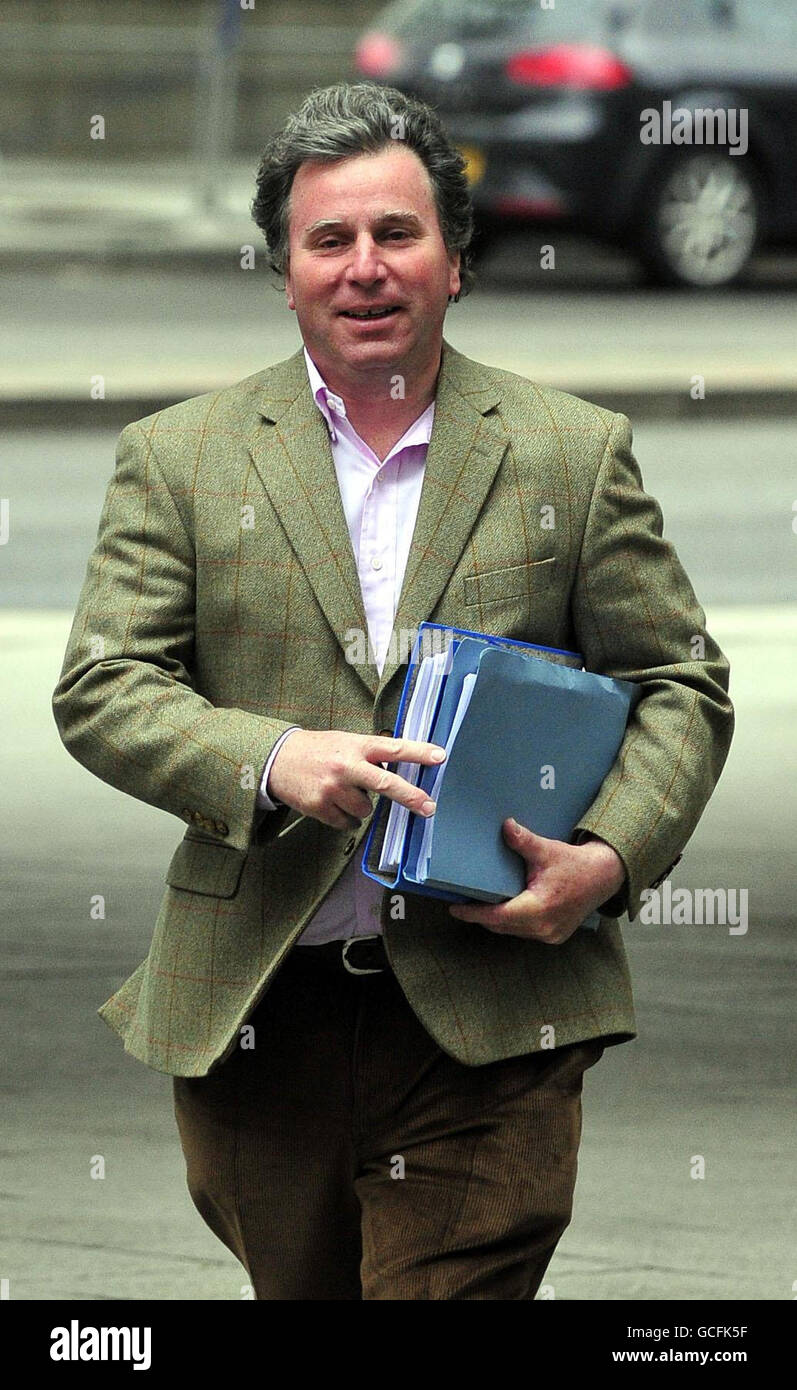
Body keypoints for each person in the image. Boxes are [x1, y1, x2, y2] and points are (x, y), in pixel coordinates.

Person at [52, 82, 734, 1301]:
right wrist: (270, 759)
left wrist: (609, 858)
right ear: (285, 271)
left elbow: (676, 679)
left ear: (455, 262)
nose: (364, 268)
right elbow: (105, 684)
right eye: (329, 240)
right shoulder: (180, 458)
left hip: (493, 1014)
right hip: (262, 1008)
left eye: (396, 234)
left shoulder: (569, 454)